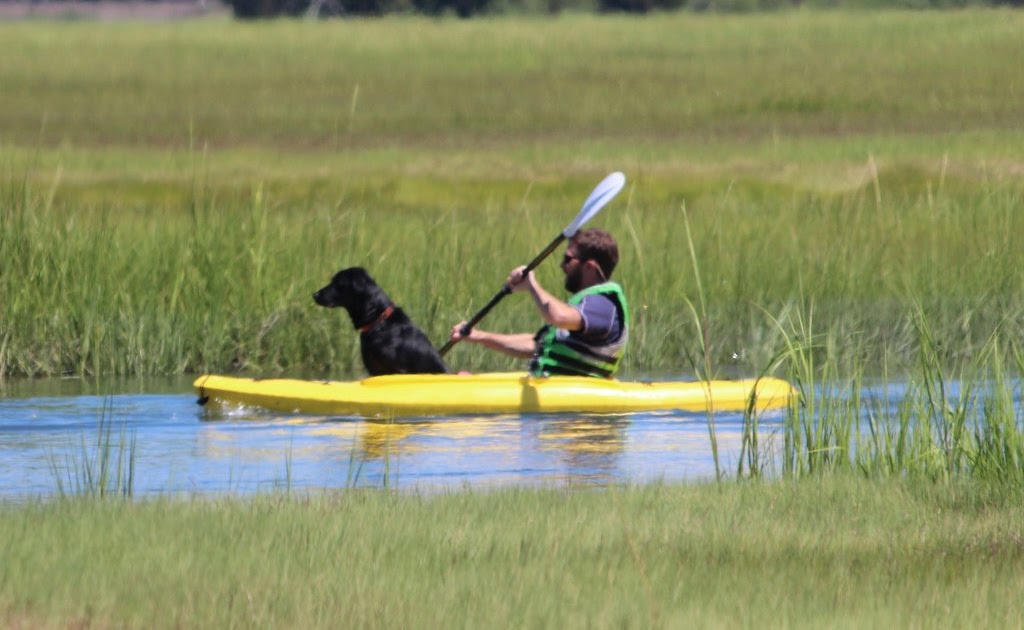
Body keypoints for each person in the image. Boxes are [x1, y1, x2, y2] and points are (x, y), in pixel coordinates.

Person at [450, 228, 629, 378]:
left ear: (589, 267)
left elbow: (558, 317)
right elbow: (534, 345)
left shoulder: (603, 305)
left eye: (568, 259)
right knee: (465, 378)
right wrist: (477, 336)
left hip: (574, 399)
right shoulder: (586, 305)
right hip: (554, 390)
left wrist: (531, 285)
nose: (562, 266)